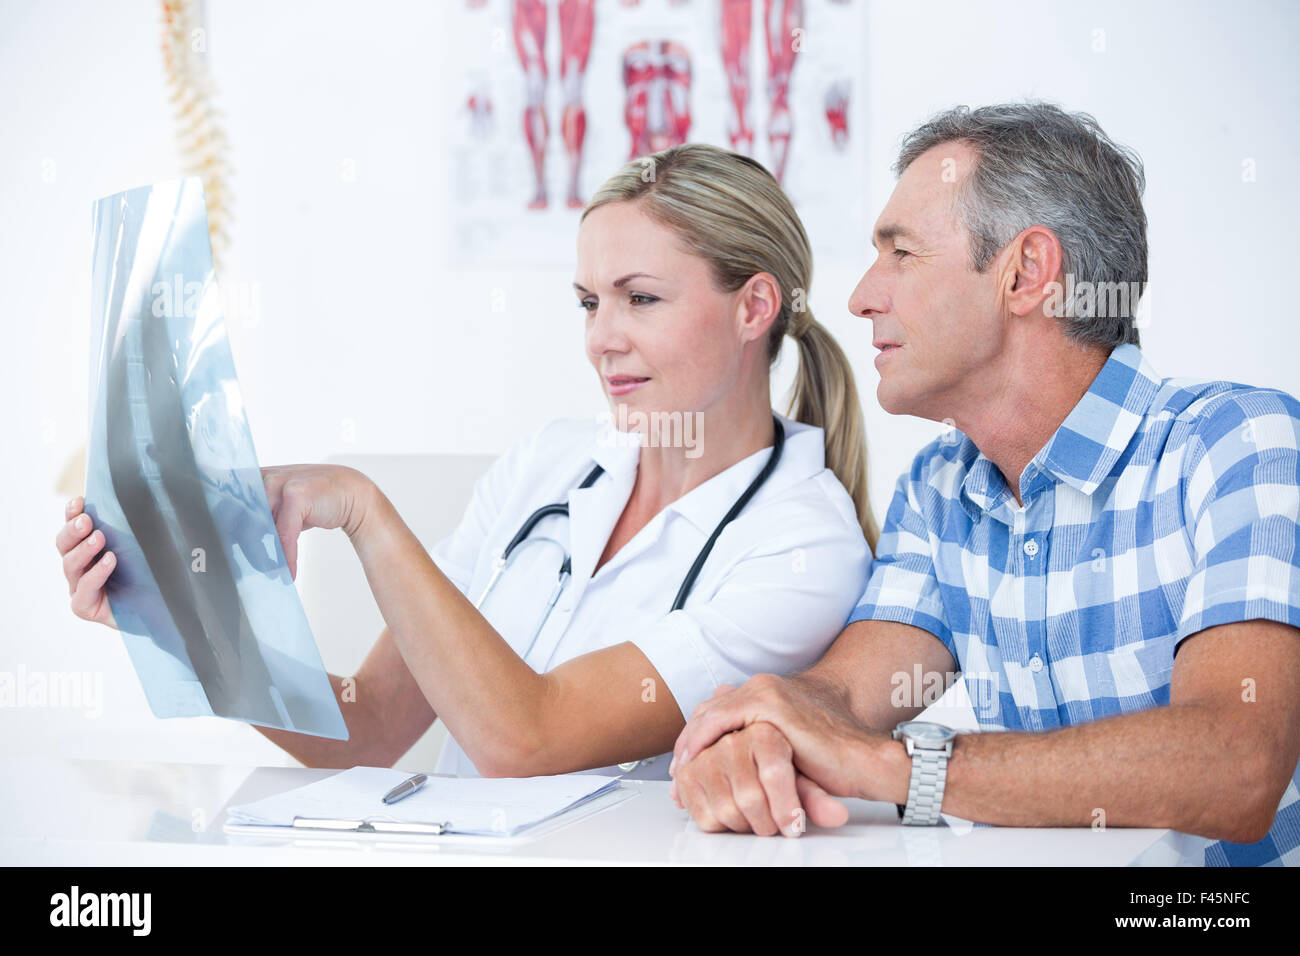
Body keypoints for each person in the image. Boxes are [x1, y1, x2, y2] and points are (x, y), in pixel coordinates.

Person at [57, 143, 878, 781]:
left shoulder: (805, 546)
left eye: (642, 298)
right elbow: (371, 727)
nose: (602, 340)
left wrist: (364, 510)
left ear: (756, 307)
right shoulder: (552, 463)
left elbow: (529, 737)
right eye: (590, 303)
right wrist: (187, 619)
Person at [670, 103, 1300, 866]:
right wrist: (764, 732)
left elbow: (1237, 764)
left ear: (1026, 273)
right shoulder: (940, 488)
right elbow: (846, 697)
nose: (862, 296)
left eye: (901, 253)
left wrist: (898, 769)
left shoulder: (1238, 443)